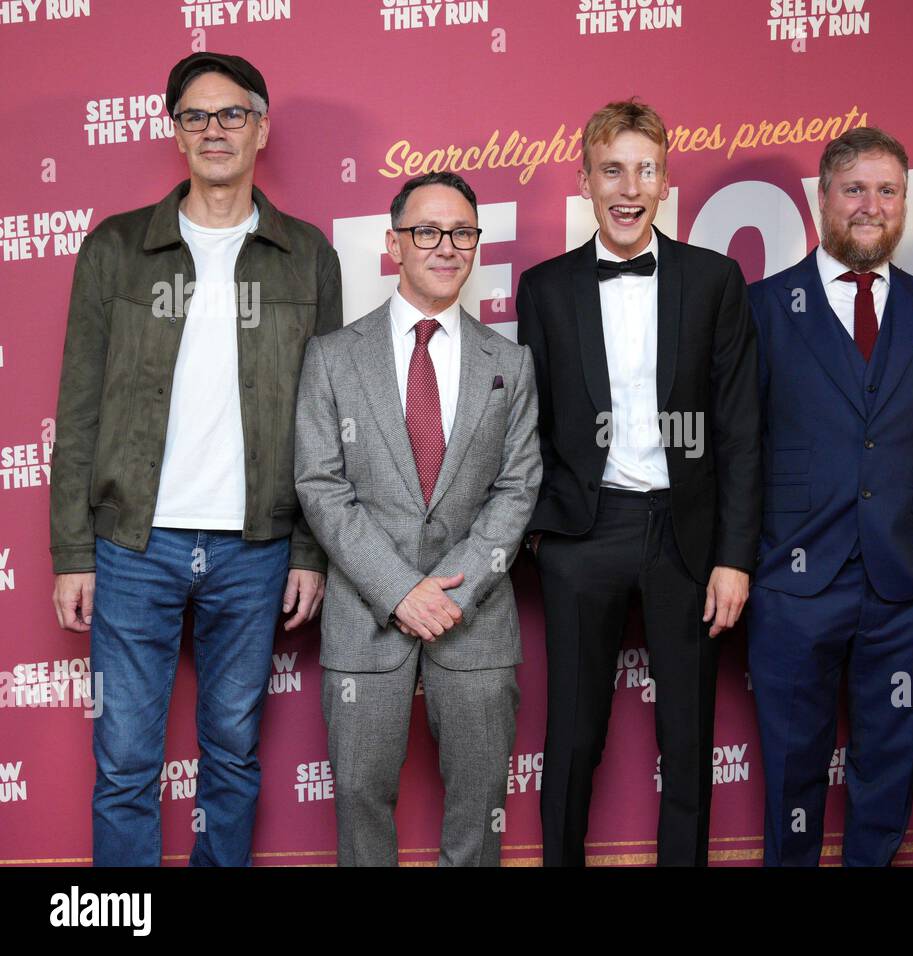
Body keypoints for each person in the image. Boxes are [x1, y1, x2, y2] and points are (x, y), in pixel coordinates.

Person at [49, 52, 341, 866]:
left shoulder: (307, 256)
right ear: (175, 133)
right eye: (196, 116)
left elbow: (324, 419)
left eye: (232, 114)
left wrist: (310, 550)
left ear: (262, 128)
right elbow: (79, 409)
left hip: (256, 548)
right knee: (126, 767)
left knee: (233, 760)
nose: (215, 130)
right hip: (134, 546)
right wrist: (74, 551)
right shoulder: (115, 248)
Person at [516, 99, 761, 866]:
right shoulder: (546, 288)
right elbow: (531, 422)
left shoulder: (715, 279)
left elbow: (740, 428)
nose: (628, 187)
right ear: (585, 180)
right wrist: (543, 536)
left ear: (665, 181)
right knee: (574, 732)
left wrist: (735, 556)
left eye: (644, 170)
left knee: (686, 737)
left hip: (686, 537)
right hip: (583, 535)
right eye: (612, 169)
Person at [746, 127, 913, 866]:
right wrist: (750, 563)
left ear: (905, 203)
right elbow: (738, 450)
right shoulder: (762, 307)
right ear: (823, 199)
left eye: (888, 191)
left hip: (910, 585)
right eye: (855, 189)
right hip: (796, 582)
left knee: (889, 771)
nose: (871, 206)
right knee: (791, 773)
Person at [295, 171, 540, 867]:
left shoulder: (510, 364)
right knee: (361, 805)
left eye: (463, 232)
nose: (446, 246)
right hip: (366, 619)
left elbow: (518, 487)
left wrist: (451, 595)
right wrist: (400, 590)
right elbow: (321, 485)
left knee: (479, 807)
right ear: (393, 244)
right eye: (427, 231)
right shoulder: (333, 357)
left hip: (478, 619)